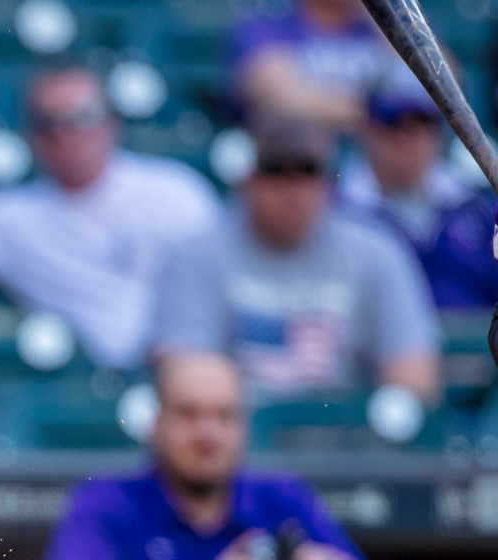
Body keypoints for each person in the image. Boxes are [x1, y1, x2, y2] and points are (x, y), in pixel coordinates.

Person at [0, 64, 219, 370]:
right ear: (30, 135)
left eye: (83, 116)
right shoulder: (14, 219)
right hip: (92, 380)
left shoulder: (175, 192)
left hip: (190, 365)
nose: (67, 134)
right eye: (48, 123)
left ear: (112, 121)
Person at [38, 352, 398, 560]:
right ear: (156, 423)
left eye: (224, 416)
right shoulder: (108, 499)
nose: (208, 433)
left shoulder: (281, 497)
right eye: (189, 414)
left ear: (243, 428)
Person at [151, 117, 441, 403]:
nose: (292, 190)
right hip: (236, 427)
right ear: (248, 181)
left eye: (307, 172)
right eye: (276, 171)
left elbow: (414, 376)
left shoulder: (376, 251)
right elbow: (181, 373)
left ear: (327, 183)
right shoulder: (198, 254)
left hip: (344, 429)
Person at [338, 81, 498, 312]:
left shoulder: (477, 208)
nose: (408, 141)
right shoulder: (341, 213)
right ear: (369, 132)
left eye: (421, 126)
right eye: (394, 126)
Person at [230, 0, 400, 133]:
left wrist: (376, 10)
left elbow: (409, 83)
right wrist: (372, 114)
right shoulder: (269, 24)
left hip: (385, 153)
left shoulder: (374, 30)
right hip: (302, 156)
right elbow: (277, 95)